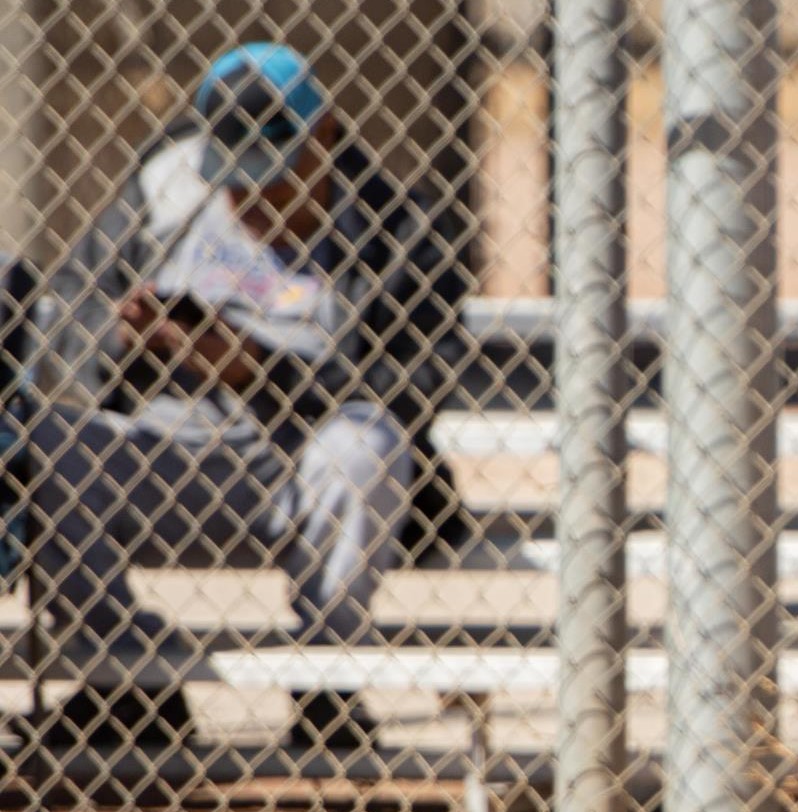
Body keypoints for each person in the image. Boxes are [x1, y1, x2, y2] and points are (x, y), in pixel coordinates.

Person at [30, 42, 471, 746]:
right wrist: (121, 343)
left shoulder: (396, 226)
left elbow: (420, 383)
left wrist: (262, 370)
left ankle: (328, 679)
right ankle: (130, 675)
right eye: (233, 176)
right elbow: (67, 313)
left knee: (367, 444)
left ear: (322, 135)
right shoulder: (164, 183)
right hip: (166, 454)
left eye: (272, 175)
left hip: (301, 466)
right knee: (34, 442)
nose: (250, 196)